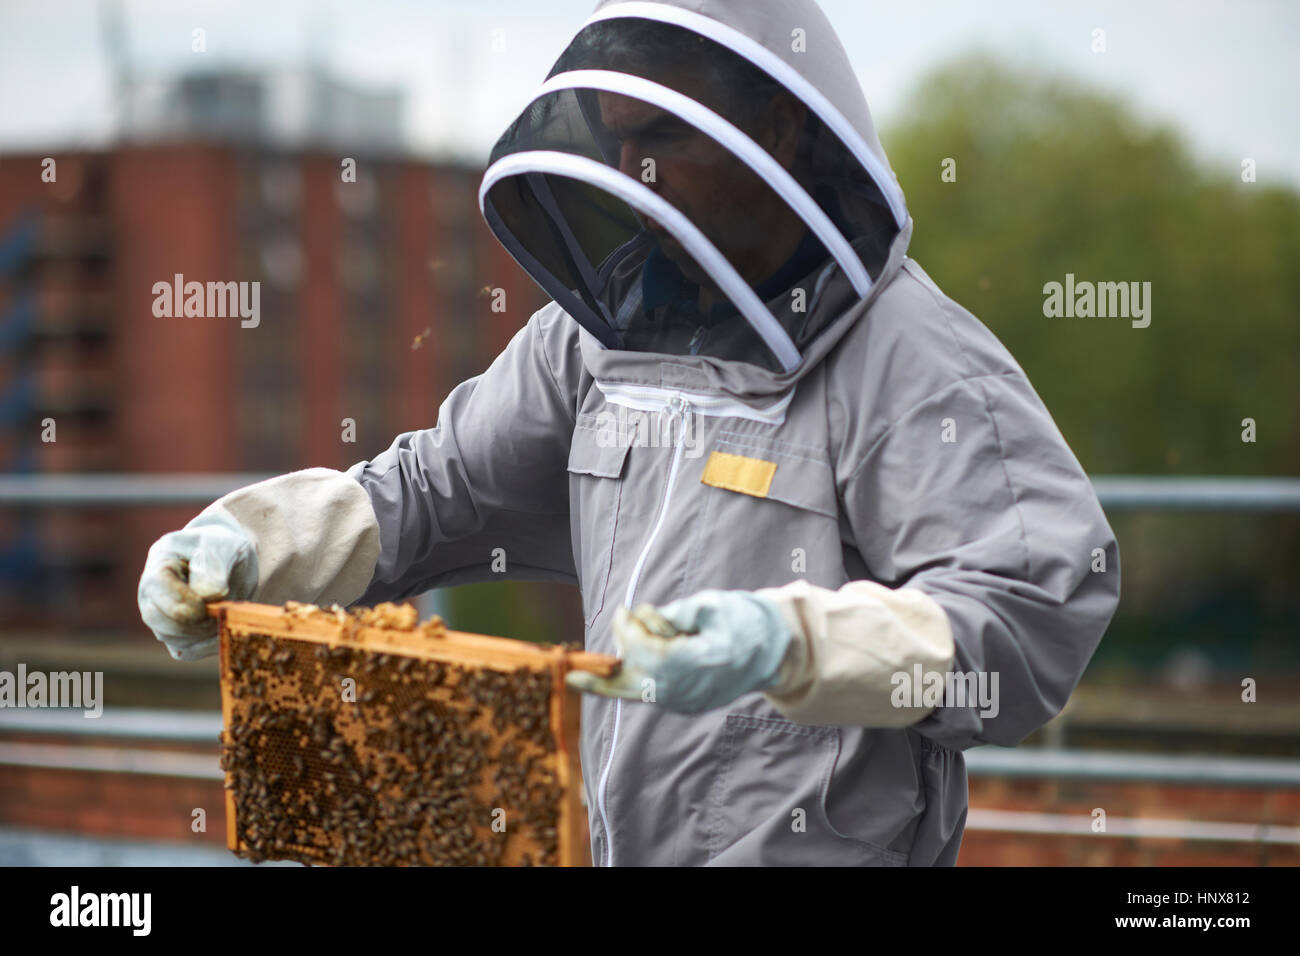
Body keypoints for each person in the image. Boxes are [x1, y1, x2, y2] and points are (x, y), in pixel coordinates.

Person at [139, 0, 1120, 866]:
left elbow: (1030, 617)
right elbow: (442, 492)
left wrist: (793, 643)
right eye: (616, 143)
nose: (630, 176)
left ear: (775, 129)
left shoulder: (914, 359)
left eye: (661, 140)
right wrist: (257, 543)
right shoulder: (596, 333)